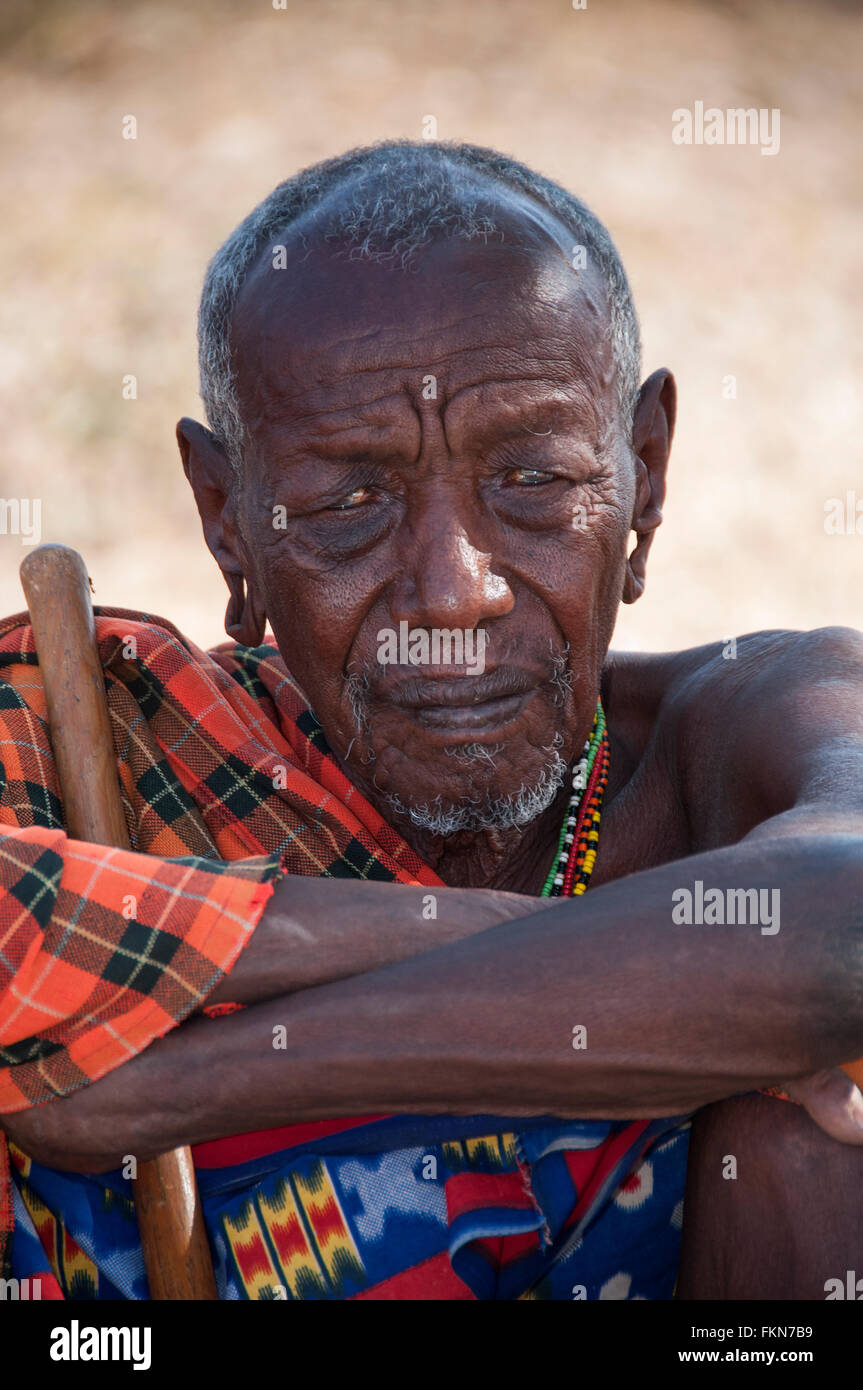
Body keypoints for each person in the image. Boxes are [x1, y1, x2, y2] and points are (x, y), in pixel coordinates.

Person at [1, 140, 861, 1301]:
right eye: (348, 501)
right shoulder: (110, 742)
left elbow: (841, 922)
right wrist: (614, 962)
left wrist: (175, 1081)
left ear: (643, 475)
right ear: (226, 520)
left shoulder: (750, 721)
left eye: (532, 482)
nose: (452, 591)